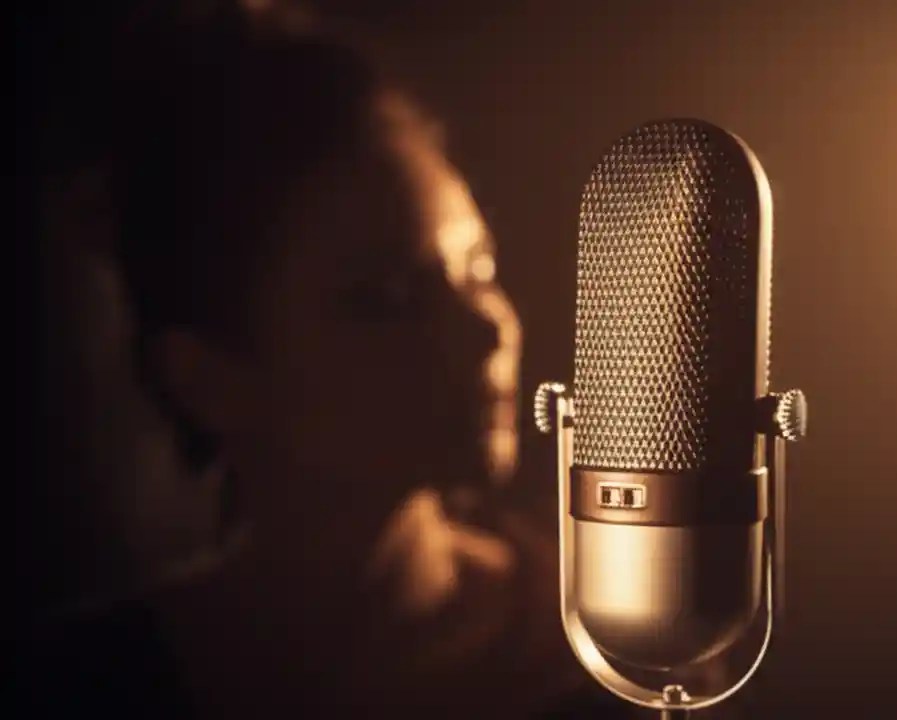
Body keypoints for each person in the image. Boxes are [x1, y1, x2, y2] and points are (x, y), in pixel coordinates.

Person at [14, 2, 630, 717]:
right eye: (385, 296)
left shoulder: (620, 656)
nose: (484, 331)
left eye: (478, 269)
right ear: (205, 376)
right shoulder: (81, 686)